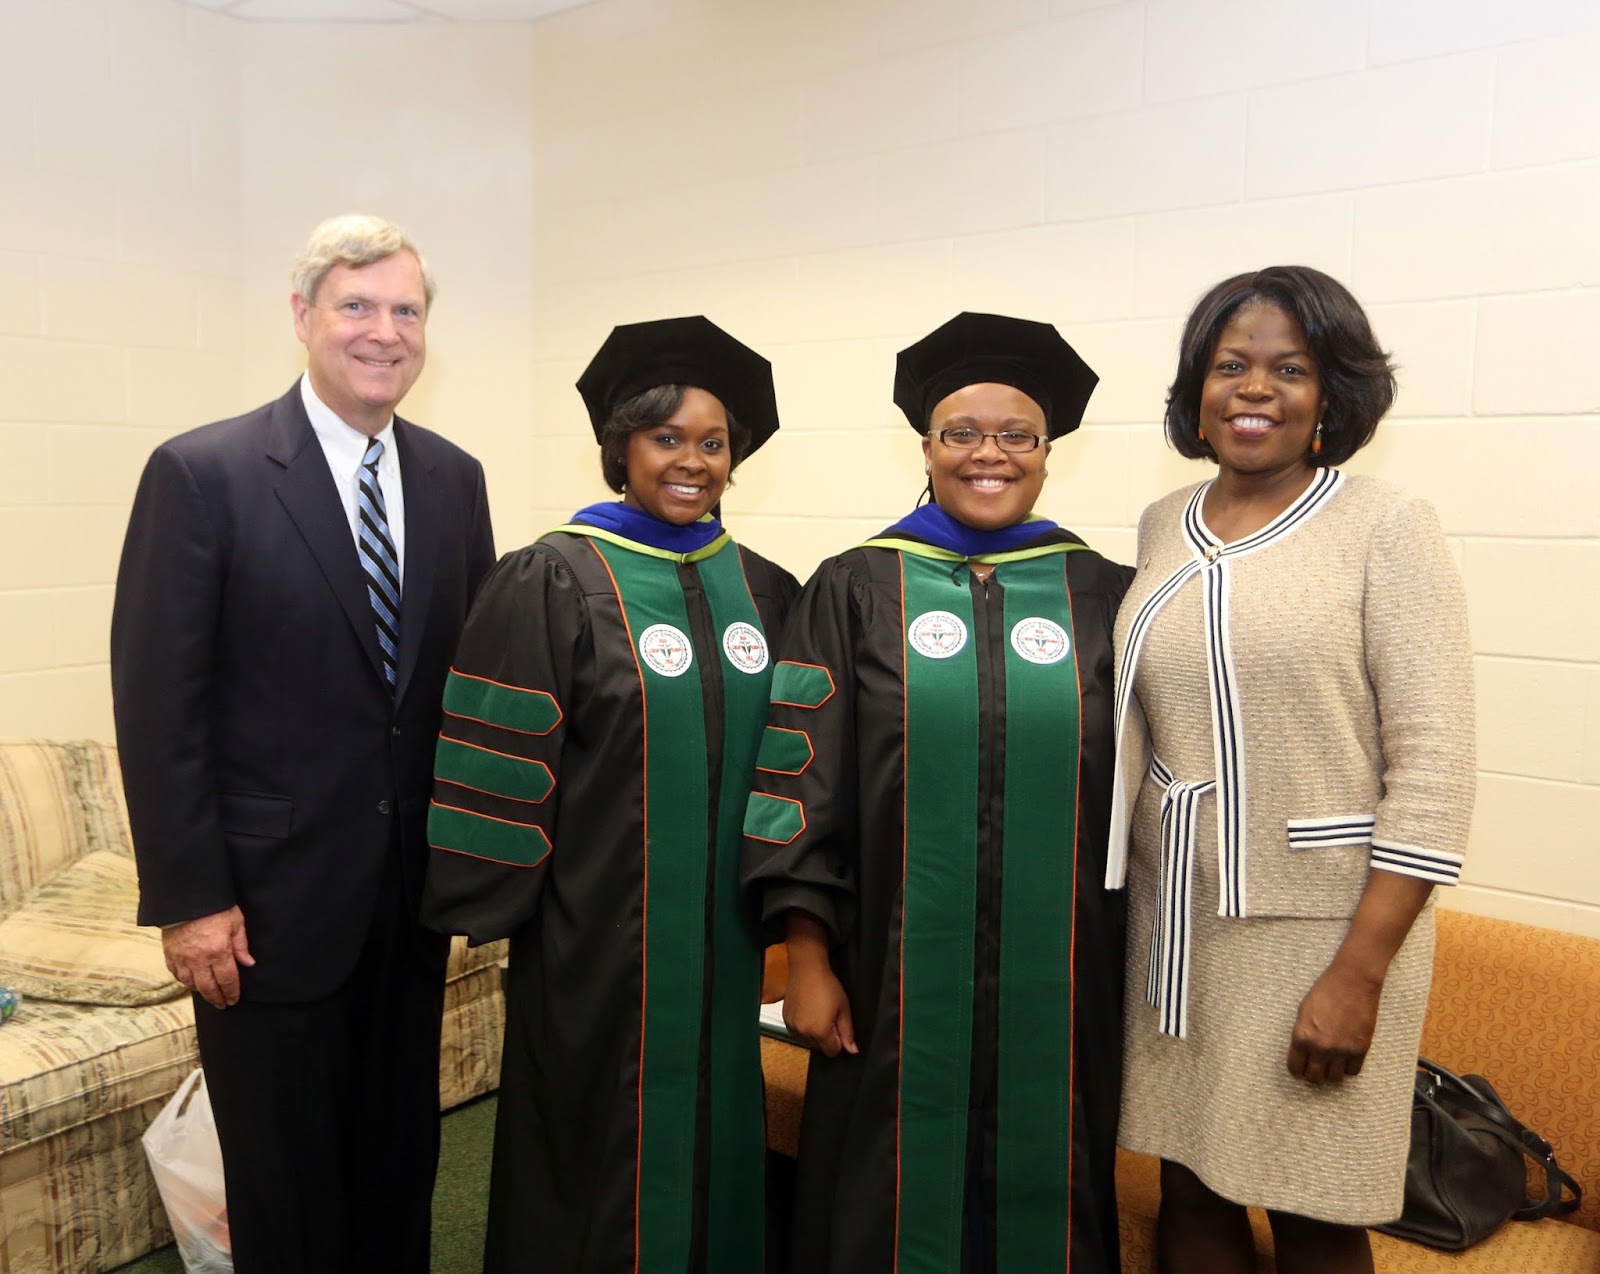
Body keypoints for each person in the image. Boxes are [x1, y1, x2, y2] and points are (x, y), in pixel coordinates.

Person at [110, 214, 496, 1272]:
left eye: (405, 310)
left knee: (398, 1164)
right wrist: (189, 897)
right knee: (284, 1184)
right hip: (263, 911)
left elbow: (467, 691)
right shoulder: (203, 473)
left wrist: (479, 866)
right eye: (357, 306)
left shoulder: (454, 478)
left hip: (408, 901)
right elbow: (159, 703)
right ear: (303, 317)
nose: (384, 332)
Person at [741, 312, 1131, 1273]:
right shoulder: (855, 588)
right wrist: (806, 955)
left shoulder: (1104, 592)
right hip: (887, 974)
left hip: (1064, 978)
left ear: (1048, 454)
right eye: (962, 432)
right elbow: (799, 777)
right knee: (883, 1194)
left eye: (1016, 436)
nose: (988, 453)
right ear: (926, 446)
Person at [1105, 265, 1476, 1273]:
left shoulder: (1383, 523)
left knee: (1310, 1200)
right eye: (1230, 365)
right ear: (1196, 388)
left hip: (1323, 924)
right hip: (1174, 917)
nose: (1254, 388)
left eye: (1288, 368)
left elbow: (1435, 767)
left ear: (1332, 393)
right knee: (1188, 1179)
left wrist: (1358, 973)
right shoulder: (1159, 523)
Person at [421, 316, 800, 1273]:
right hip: (595, 935)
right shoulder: (553, 577)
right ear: (621, 448)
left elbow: (798, 762)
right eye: (666, 438)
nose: (692, 462)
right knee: (593, 1138)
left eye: (712, 443)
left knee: (720, 1117)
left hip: (725, 935)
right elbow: (496, 760)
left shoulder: (766, 589)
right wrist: (508, 903)